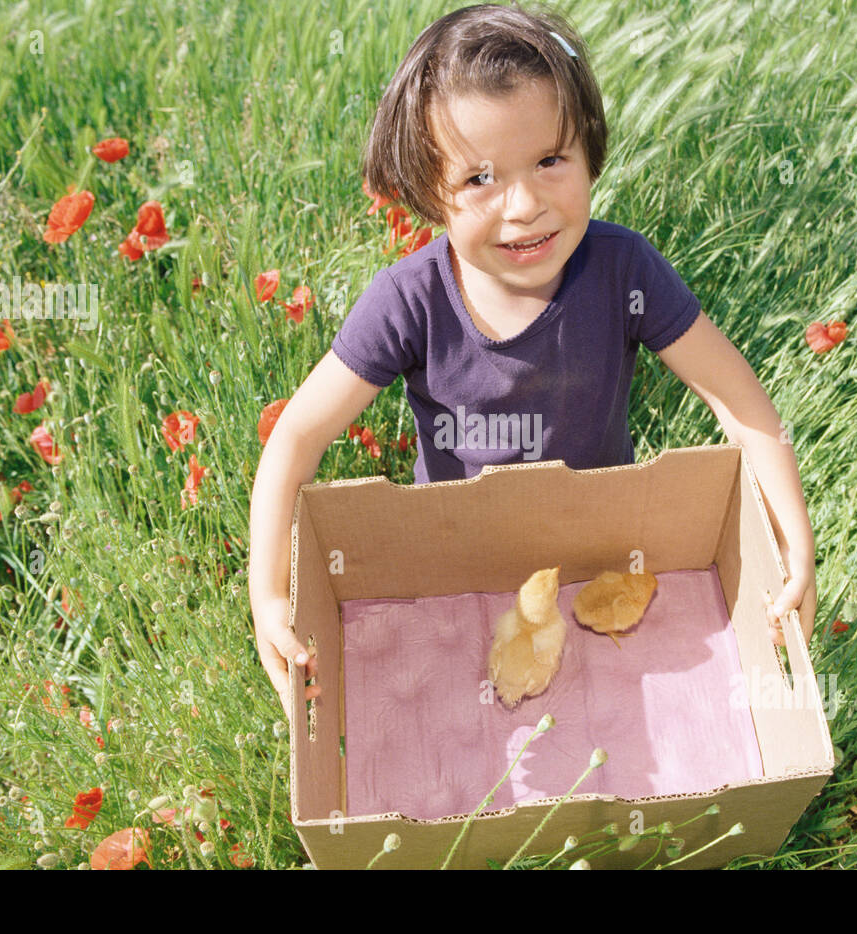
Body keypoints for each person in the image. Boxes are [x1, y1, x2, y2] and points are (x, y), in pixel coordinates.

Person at [248, 2, 816, 718]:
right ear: (429, 192)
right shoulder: (409, 301)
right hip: (456, 563)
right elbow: (295, 440)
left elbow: (743, 407)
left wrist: (794, 543)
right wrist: (270, 596)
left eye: (551, 160)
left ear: (590, 151)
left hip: (595, 555)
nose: (524, 206)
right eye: (480, 180)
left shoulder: (625, 272)